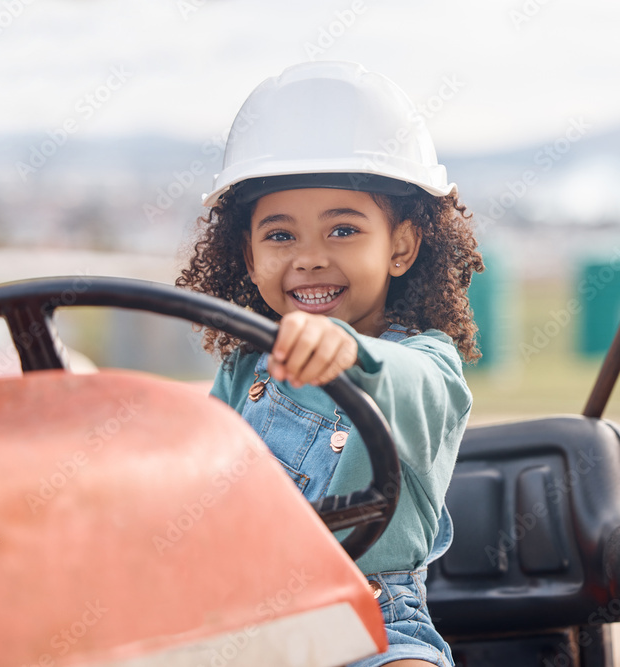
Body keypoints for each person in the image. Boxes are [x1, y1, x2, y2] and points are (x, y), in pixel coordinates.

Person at [177, 61, 482, 667]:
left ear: (400, 246)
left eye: (343, 229)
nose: (310, 258)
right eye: (281, 236)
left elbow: (413, 385)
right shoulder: (244, 371)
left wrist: (351, 353)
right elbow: (194, 479)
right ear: (248, 252)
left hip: (370, 621)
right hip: (241, 620)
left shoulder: (424, 362)